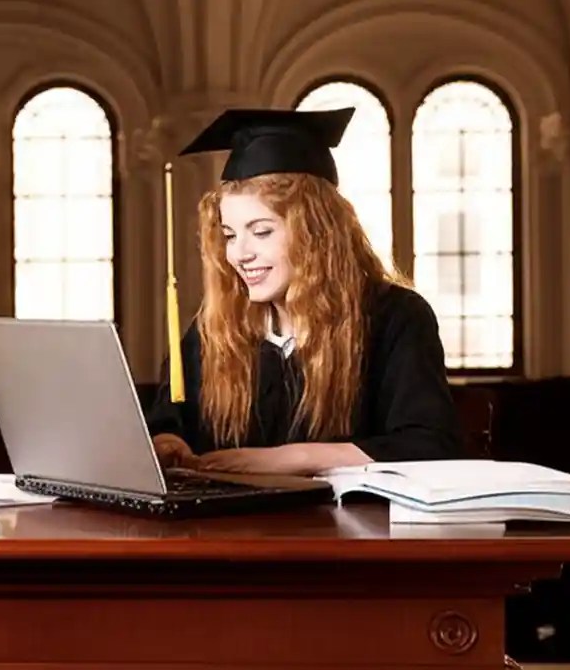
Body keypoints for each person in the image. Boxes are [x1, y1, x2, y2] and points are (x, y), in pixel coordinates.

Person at [146, 106, 465, 475]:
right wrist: (169, 443)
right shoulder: (216, 328)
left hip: (349, 527)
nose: (239, 254)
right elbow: (169, 422)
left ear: (316, 233)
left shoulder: (394, 317)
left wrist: (287, 459)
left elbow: (430, 444)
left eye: (262, 231)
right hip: (234, 527)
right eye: (230, 235)